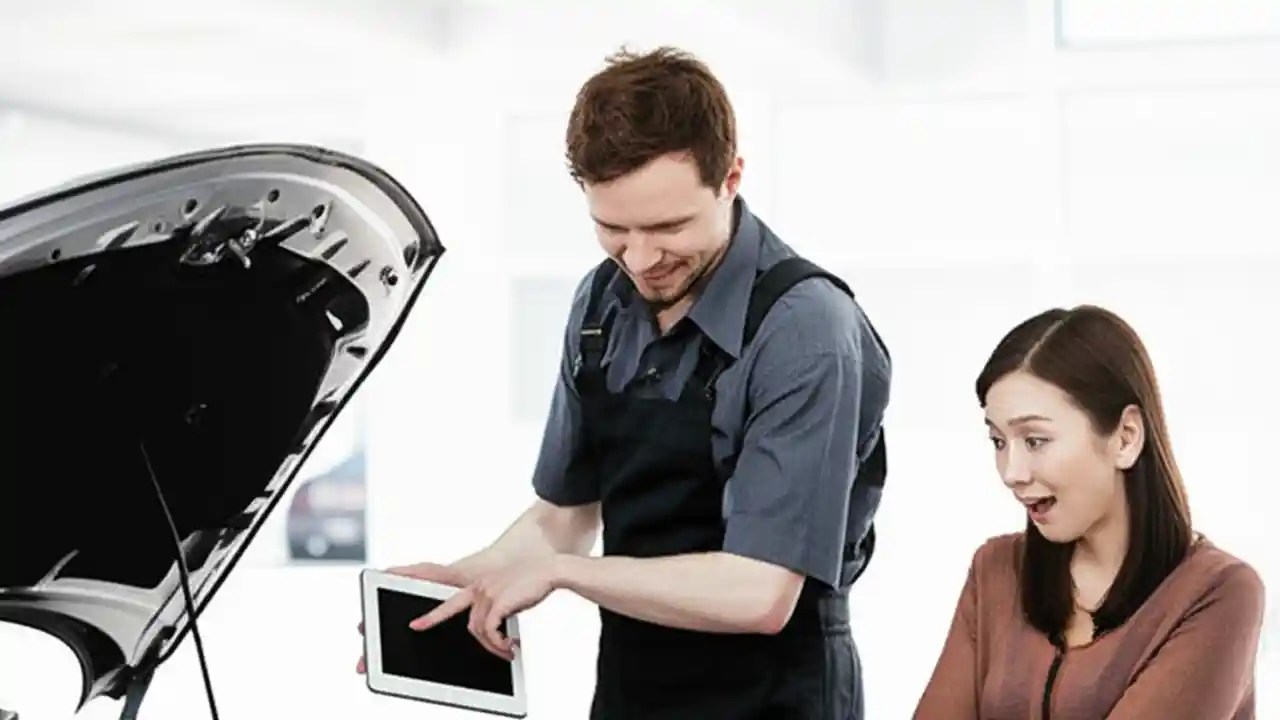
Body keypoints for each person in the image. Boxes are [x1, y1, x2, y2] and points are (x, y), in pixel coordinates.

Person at [356, 46, 892, 718]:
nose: (640, 259)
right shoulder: (599, 305)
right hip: (633, 687)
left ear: (731, 179)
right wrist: (479, 575)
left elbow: (761, 594)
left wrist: (560, 574)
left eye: (669, 227)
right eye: (612, 228)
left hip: (777, 693)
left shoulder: (806, 329)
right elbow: (565, 516)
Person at [913, 305, 1266, 719]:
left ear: (1125, 437)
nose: (1011, 473)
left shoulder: (1219, 592)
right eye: (998, 441)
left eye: (1035, 440)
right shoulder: (995, 570)